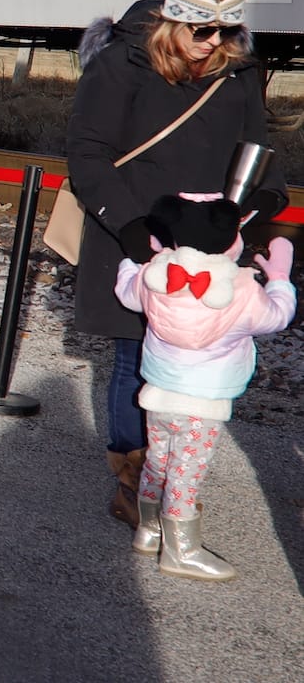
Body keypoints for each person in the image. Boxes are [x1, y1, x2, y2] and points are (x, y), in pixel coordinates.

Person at [67, 0, 287, 530]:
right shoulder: (121, 63)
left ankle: (175, 476)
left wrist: (261, 201)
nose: (214, 42)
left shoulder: (237, 69)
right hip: (137, 233)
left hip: (209, 247)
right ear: (174, 19)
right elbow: (87, 154)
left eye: (227, 30)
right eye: (202, 30)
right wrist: (130, 228)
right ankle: (135, 481)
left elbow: (257, 149)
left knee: (195, 364)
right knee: (133, 358)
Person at [114, 193, 294, 581]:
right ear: (231, 243)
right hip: (203, 402)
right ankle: (181, 551)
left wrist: (134, 260)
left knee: (158, 461)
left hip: (159, 391)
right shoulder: (241, 290)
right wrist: (280, 279)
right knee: (186, 472)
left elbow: (127, 292)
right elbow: (278, 317)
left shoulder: (156, 275)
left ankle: (149, 531)